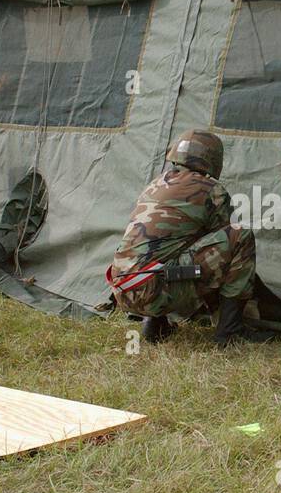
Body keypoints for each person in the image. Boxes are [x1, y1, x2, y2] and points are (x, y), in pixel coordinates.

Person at [108, 129, 271, 348]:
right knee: (239, 235)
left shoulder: (155, 184)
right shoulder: (211, 190)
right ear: (212, 159)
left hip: (122, 289)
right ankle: (229, 331)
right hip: (154, 289)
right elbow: (221, 244)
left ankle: (154, 325)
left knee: (168, 248)